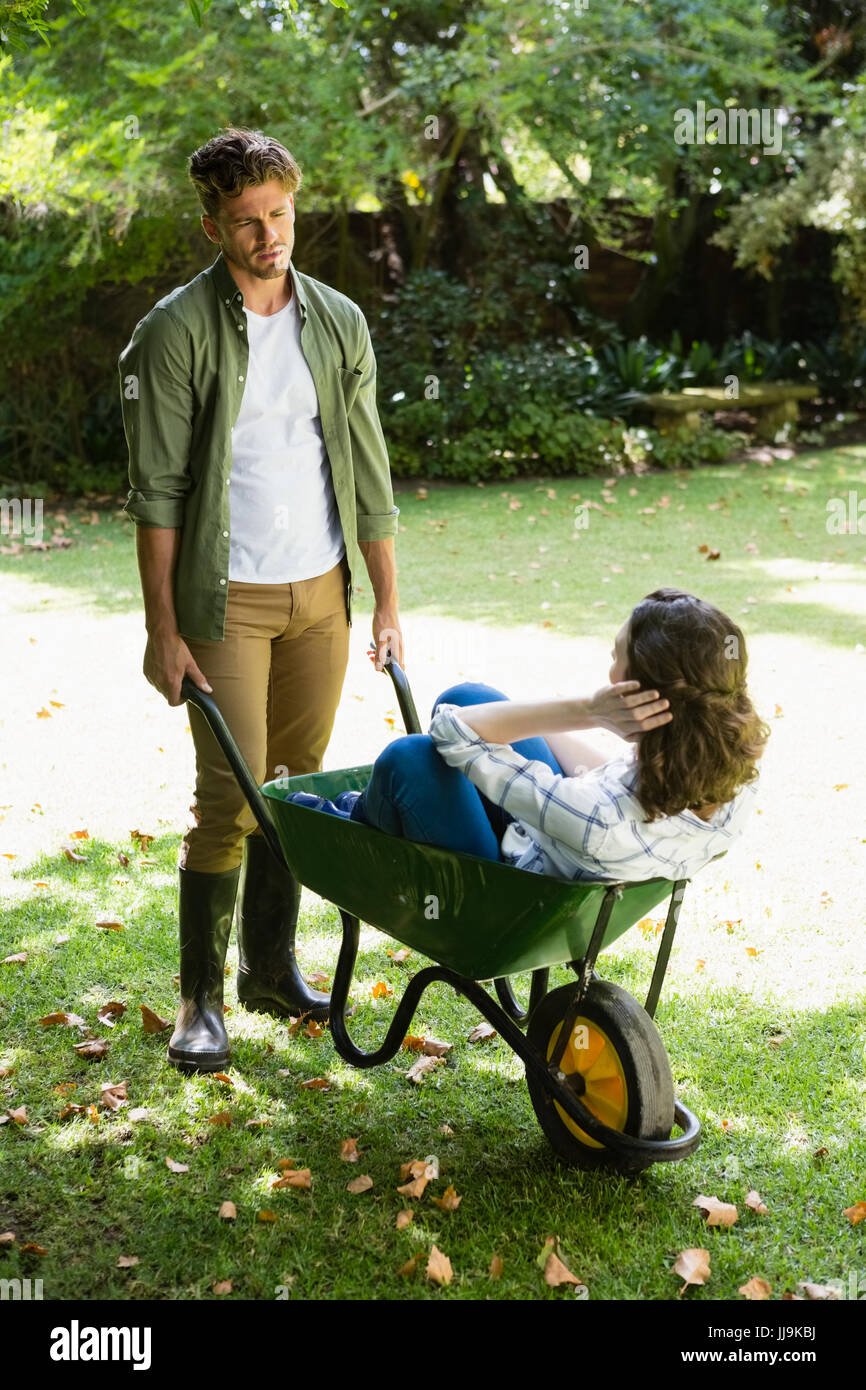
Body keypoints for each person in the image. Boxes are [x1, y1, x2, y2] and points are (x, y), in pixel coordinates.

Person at [118, 127, 403, 1073]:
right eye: (245, 223)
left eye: (279, 214)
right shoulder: (173, 334)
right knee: (227, 799)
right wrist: (165, 631)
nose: (268, 236)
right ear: (213, 228)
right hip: (225, 600)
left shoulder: (339, 322)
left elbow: (367, 469)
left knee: (295, 782)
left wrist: (388, 603)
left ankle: (271, 972)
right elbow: (156, 490)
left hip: (322, 593)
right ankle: (200, 999)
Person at [294, 591, 769, 884]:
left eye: (616, 655)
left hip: (505, 892)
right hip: (563, 842)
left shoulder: (598, 818)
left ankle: (344, 816)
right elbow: (605, 777)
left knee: (411, 758)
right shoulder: (732, 780)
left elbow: (450, 725)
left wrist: (587, 711)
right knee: (472, 694)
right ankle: (372, 807)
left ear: (639, 695)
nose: (609, 666)